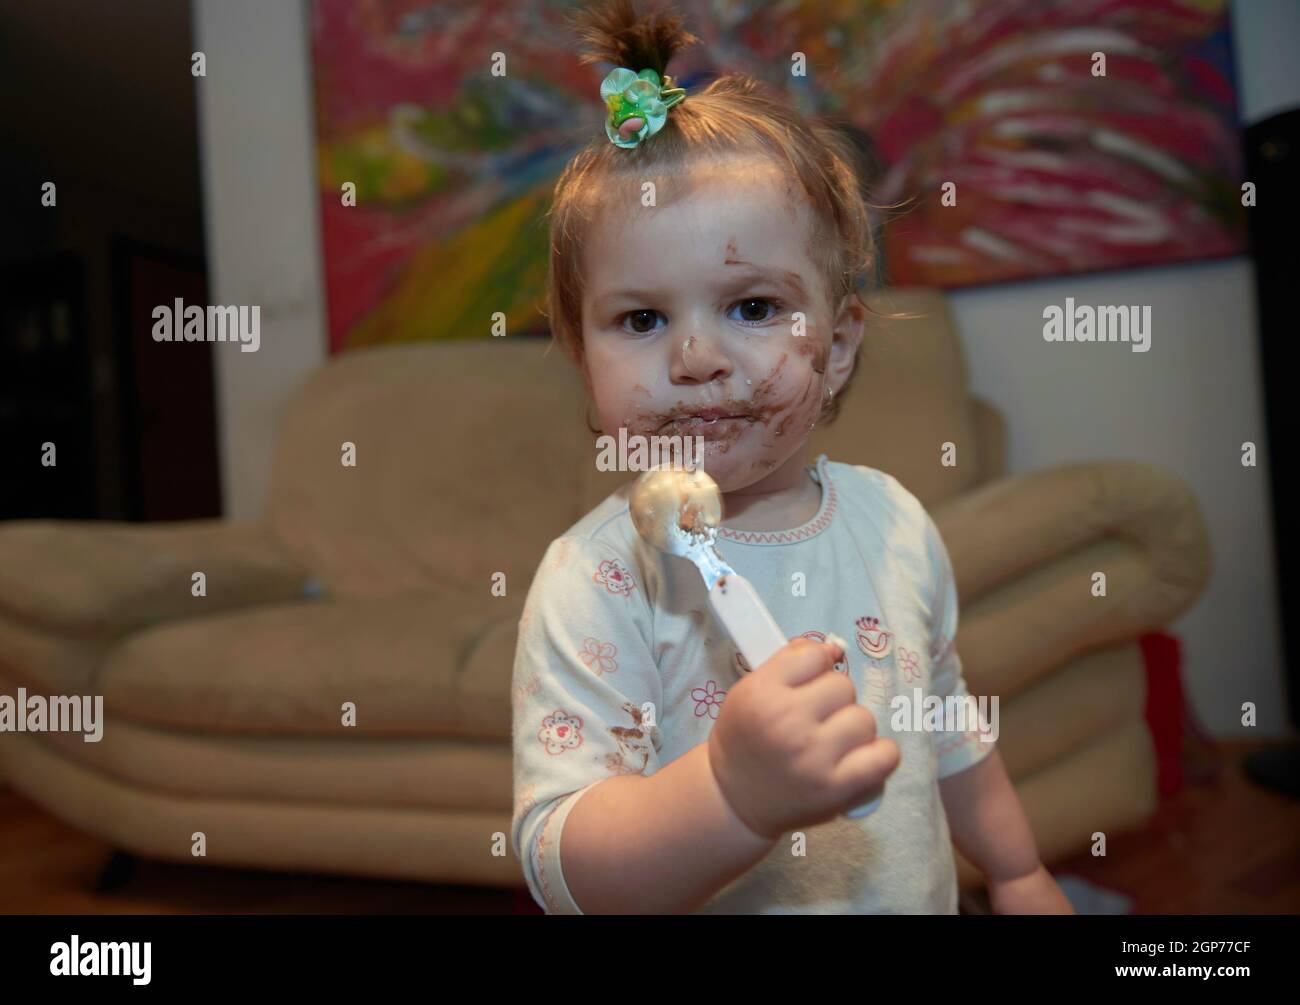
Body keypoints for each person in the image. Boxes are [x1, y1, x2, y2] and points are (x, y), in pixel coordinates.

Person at [510, 0, 1072, 915]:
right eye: (643, 319)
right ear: (583, 357)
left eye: (753, 306)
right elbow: (562, 861)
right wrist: (730, 793)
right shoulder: (598, 576)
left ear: (841, 341)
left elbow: (946, 718)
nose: (696, 359)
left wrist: (1016, 869)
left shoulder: (893, 519)